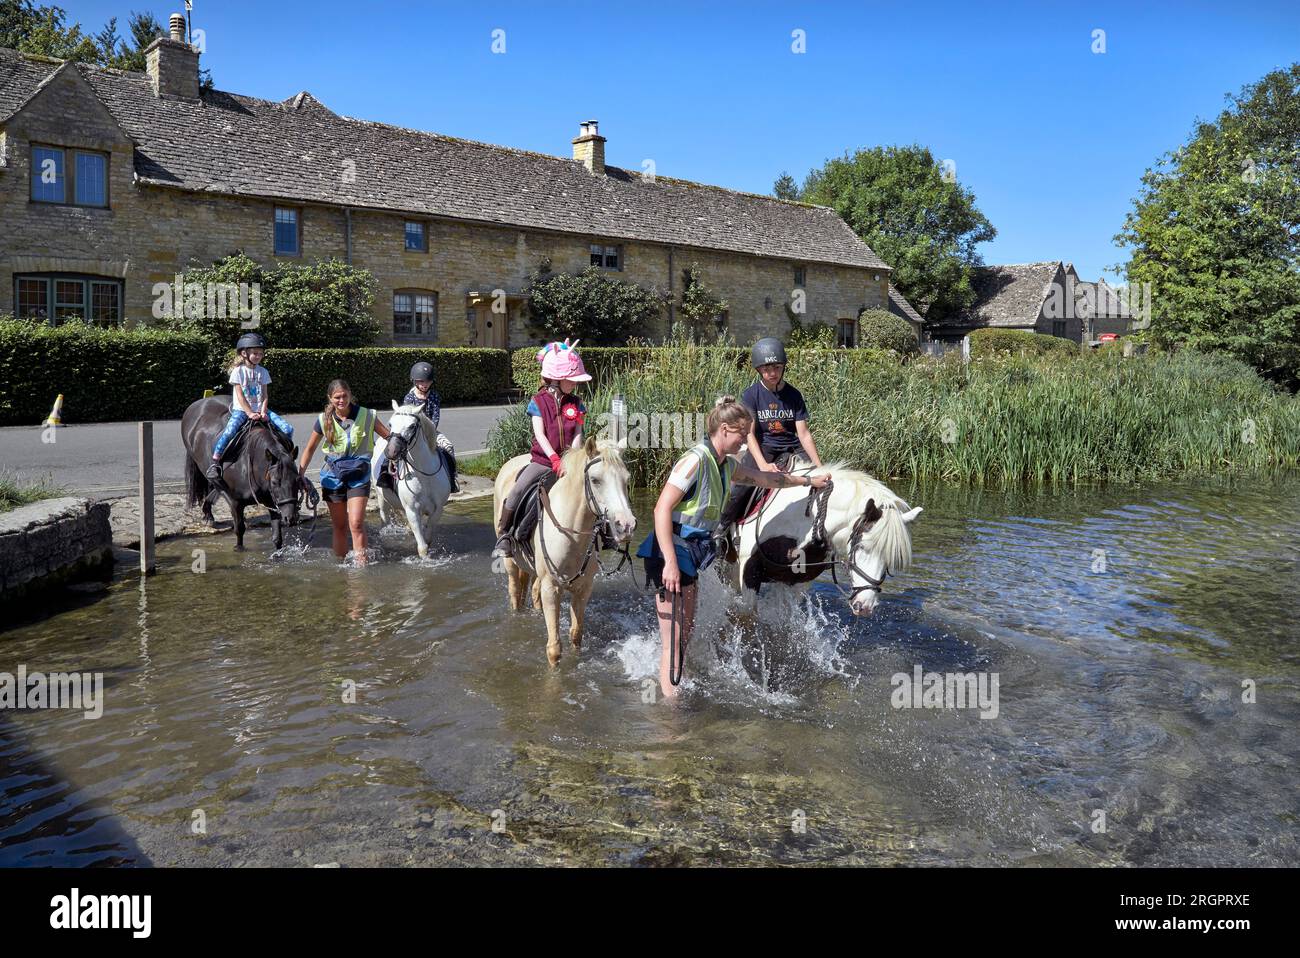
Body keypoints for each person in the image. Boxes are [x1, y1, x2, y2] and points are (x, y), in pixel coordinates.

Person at [637, 395, 830, 698]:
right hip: (669, 553)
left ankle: (673, 688)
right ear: (725, 429)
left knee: (683, 636)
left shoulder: (727, 465)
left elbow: (768, 480)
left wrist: (808, 482)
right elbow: (661, 510)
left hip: (692, 552)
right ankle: (671, 720)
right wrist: (671, 564)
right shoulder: (694, 461)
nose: (745, 441)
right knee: (672, 644)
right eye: (742, 434)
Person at [715, 337, 824, 552]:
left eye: (777, 367)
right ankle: (721, 530)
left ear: (783, 367)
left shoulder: (794, 395)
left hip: (792, 447)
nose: (772, 372)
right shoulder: (751, 395)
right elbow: (750, 434)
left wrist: (819, 466)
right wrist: (763, 465)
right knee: (741, 487)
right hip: (764, 446)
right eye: (766, 368)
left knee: (820, 482)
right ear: (759, 370)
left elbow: (803, 433)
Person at [491, 339, 590, 559]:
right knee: (517, 490)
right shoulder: (538, 402)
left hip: (568, 461)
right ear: (555, 378)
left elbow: (577, 435)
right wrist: (555, 459)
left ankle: (604, 534)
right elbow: (540, 435)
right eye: (570, 380)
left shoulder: (577, 403)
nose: (575, 384)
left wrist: (572, 459)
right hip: (543, 461)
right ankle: (505, 534)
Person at [297, 379, 391, 563]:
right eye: (337, 397)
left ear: (350, 394)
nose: (341, 400)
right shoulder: (323, 420)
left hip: (359, 475)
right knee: (339, 526)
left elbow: (389, 437)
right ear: (330, 399)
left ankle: (360, 569)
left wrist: (395, 458)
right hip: (333, 477)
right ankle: (340, 565)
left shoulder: (367, 415)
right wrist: (300, 475)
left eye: (345, 396)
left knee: (355, 524)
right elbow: (309, 449)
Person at [207, 332, 294, 482]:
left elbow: (265, 395)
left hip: (260, 410)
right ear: (244, 353)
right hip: (241, 411)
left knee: (288, 429)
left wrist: (263, 411)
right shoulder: (238, 372)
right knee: (228, 433)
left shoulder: (263, 372)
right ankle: (215, 463)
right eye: (255, 353)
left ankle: (283, 460)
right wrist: (249, 413)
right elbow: (240, 396)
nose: (258, 356)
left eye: (261, 353)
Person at [377, 361, 459, 493]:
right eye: (421, 382)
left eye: (427, 381)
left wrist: (429, 432)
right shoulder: (409, 397)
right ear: (414, 381)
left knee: (448, 446)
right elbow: (406, 419)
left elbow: (435, 417)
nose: (424, 385)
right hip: (410, 432)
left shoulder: (434, 397)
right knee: (394, 449)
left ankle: (452, 478)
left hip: (430, 431)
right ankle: (385, 475)